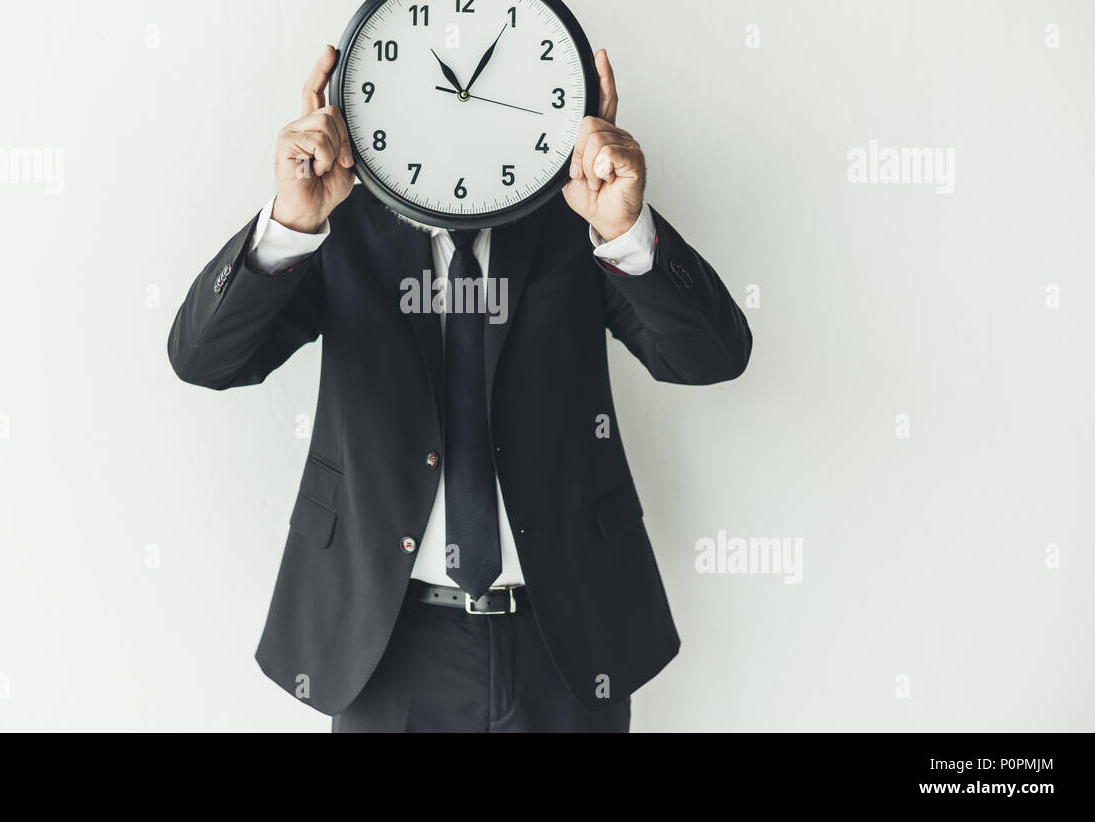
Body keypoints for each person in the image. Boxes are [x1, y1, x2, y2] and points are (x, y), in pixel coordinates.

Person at [167, 44, 752, 732]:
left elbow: (712, 356)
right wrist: (290, 224)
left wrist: (624, 229)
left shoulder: (578, 218)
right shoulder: (339, 223)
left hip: (564, 639)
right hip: (383, 642)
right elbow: (203, 358)